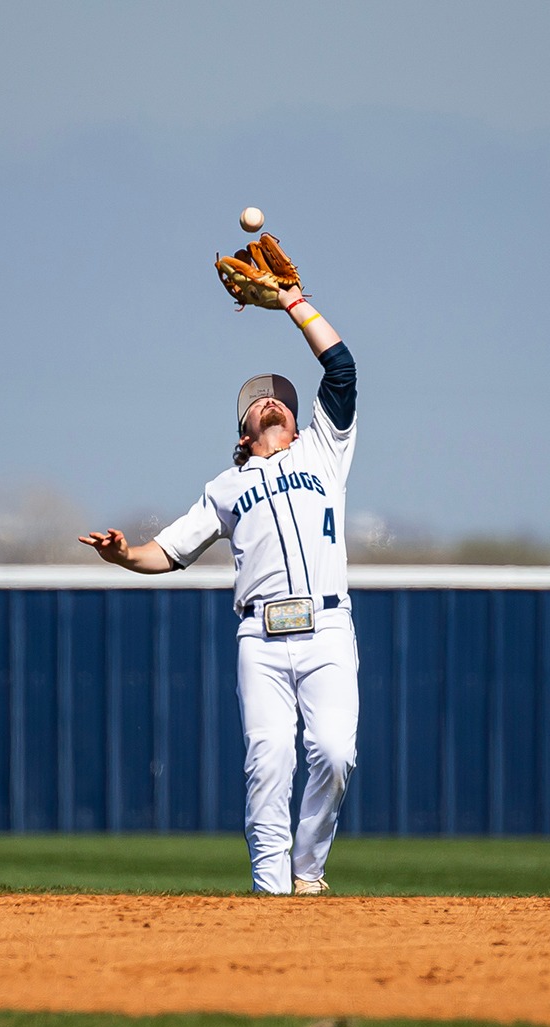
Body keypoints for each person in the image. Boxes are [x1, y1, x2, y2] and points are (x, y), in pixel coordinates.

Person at [81, 262, 358, 898]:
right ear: (243, 431)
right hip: (260, 638)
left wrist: (293, 302)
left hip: (327, 628)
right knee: (268, 765)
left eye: (281, 399)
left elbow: (341, 369)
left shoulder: (324, 452)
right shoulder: (225, 489)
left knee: (335, 756)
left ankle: (307, 873)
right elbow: (167, 554)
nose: (272, 401)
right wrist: (125, 555)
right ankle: (270, 896)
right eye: (259, 400)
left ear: (296, 418)